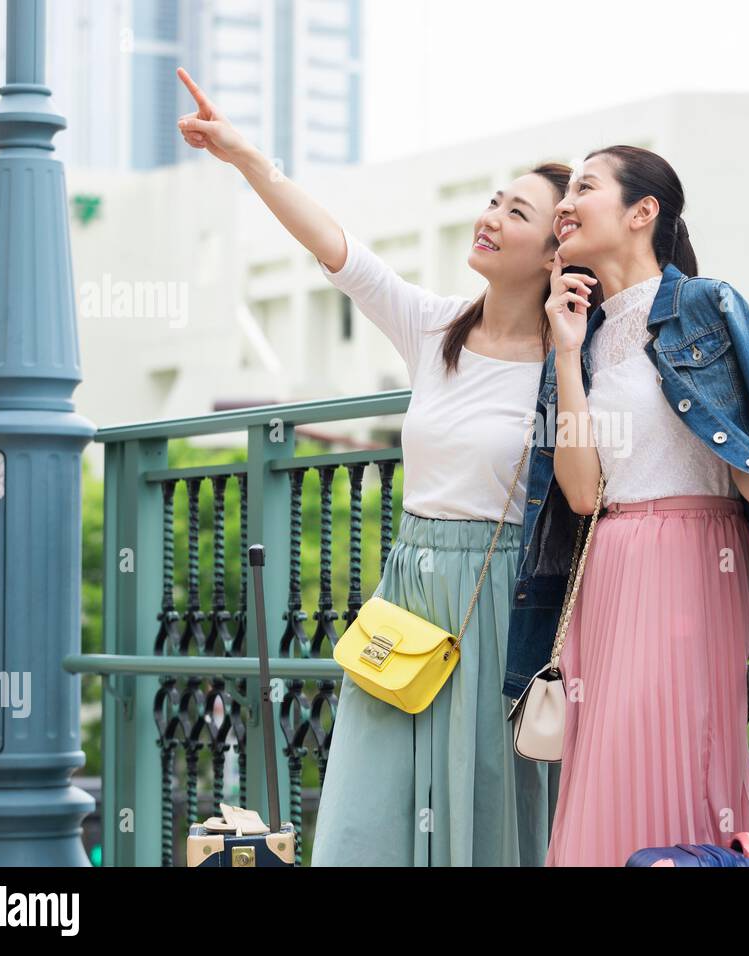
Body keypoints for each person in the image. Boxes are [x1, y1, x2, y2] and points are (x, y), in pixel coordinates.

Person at [176, 67, 585, 865]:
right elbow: (340, 252)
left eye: (518, 212)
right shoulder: (436, 328)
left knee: (487, 809)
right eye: (495, 201)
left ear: (555, 249)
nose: (492, 218)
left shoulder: (568, 357)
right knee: (366, 813)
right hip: (409, 587)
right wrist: (245, 158)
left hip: (504, 597)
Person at [502, 146, 749, 866]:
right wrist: (564, 354)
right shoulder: (584, 334)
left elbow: (748, 427)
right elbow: (583, 492)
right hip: (609, 562)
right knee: (600, 776)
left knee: (677, 759)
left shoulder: (704, 305)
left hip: (694, 557)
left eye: (585, 188)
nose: (566, 204)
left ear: (642, 211)